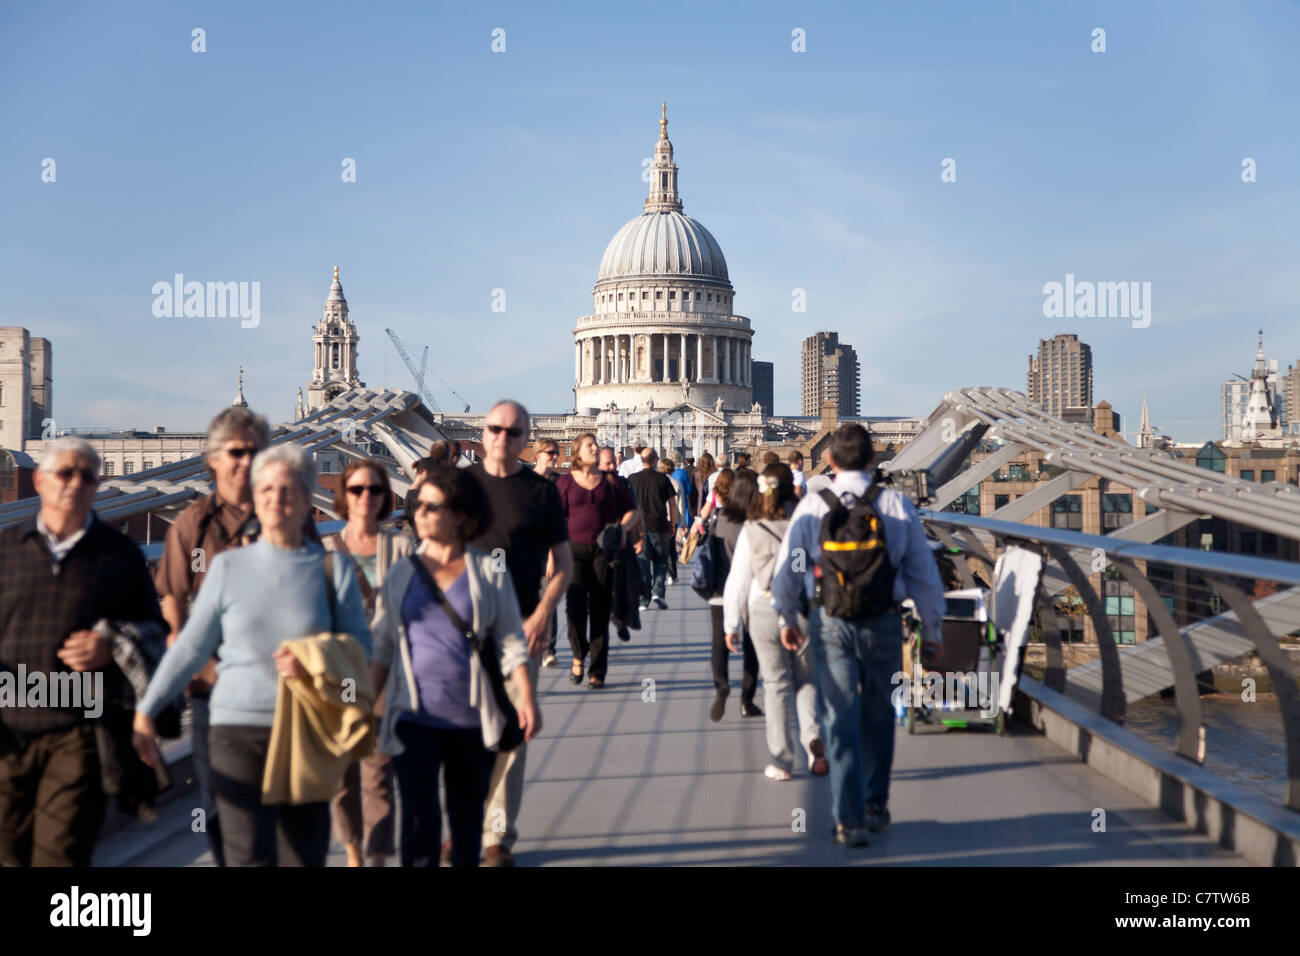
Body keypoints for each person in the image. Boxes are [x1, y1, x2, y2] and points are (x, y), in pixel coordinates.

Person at [135, 444, 371, 866]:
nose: (276, 498)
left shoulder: (334, 570)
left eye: (288, 489)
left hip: (306, 731)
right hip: (236, 730)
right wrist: (147, 709)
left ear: (306, 497)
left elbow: (361, 651)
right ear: (256, 498)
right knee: (248, 858)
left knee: (302, 855)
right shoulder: (228, 568)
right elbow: (192, 645)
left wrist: (315, 662)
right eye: (266, 490)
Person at [769, 424, 946, 846]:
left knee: (838, 715)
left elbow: (790, 568)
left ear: (829, 461)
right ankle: (874, 804)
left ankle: (846, 818)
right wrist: (934, 629)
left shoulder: (813, 505)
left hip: (829, 619)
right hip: (884, 618)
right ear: (873, 459)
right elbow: (922, 573)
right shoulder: (896, 504)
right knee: (879, 712)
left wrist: (787, 618)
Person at [0, 438, 165, 866]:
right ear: (38, 481)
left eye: (87, 476)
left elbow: (155, 632)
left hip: (81, 729)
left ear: (97, 486)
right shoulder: (5, 552)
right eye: (64, 473)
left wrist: (111, 645)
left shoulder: (119, 554)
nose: (75, 483)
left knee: (62, 853)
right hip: (8, 728)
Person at [369, 468, 540, 868]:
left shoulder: (487, 571)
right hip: (412, 718)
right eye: (418, 508)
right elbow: (383, 646)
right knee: (419, 830)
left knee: (464, 833)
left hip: (472, 720)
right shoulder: (401, 573)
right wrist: (365, 705)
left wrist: (527, 700)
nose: (421, 515)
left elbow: (512, 641)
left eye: (433, 507)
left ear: (460, 514)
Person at [151, 405, 299, 866]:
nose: (245, 461)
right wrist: (180, 638)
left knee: (281, 808)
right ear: (213, 459)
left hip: (280, 688)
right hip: (213, 689)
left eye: (256, 452)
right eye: (235, 452)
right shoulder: (192, 524)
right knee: (218, 804)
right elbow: (172, 593)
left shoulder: (288, 514)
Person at [466, 402, 571, 867]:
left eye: (513, 432)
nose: (503, 438)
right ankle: (467, 823)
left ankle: (495, 836)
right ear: (482, 433)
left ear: (526, 438)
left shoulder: (541, 492)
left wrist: (544, 612)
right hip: (459, 628)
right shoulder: (461, 487)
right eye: (495, 429)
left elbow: (563, 563)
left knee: (511, 730)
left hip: (520, 626)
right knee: (462, 733)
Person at [324, 459, 412, 868]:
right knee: (341, 778)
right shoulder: (324, 552)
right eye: (356, 490)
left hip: (387, 672)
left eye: (375, 490)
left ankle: (376, 858)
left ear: (385, 497)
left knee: (377, 772)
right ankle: (353, 851)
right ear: (344, 496)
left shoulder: (402, 548)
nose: (365, 497)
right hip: (338, 676)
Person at [724, 464, 825, 781]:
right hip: (802, 609)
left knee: (777, 685)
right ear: (792, 489)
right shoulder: (805, 524)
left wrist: (730, 624)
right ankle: (813, 739)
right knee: (806, 680)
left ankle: (781, 761)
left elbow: (738, 581)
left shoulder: (752, 527)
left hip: (763, 608)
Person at [556, 433, 637, 689]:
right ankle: (578, 655)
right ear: (578, 453)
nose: (595, 448)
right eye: (589, 445)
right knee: (574, 608)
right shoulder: (565, 482)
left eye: (596, 445)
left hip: (604, 550)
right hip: (574, 550)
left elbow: (633, 511)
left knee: (601, 609)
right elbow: (554, 519)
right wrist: (550, 555)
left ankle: (598, 669)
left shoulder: (610, 482)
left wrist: (621, 531)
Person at [706, 469, 761, 722]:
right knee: (751, 647)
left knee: (719, 643)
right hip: (752, 592)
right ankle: (747, 701)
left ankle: (721, 684)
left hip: (720, 589)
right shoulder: (758, 522)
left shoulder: (719, 517)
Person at [630, 449, 678, 611]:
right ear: (655, 460)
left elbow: (628, 506)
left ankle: (644, 600)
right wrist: (673, 525)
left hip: (639, 529)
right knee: (661, 562)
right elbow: (673, 504)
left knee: (642, 563)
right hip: (660, 526)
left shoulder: (633, 479)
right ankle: (658, 592)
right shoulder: (663, 479)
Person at [531, 437, 562, 668]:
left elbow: (559, 521)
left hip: (550, 550)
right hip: (525, 551)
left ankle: (548, 649)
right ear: (537, 455)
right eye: (550, 452)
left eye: (557, 452)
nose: (555, 456)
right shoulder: (524, 482)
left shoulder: (559, 483)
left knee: (548, 600)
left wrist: (553, 554)